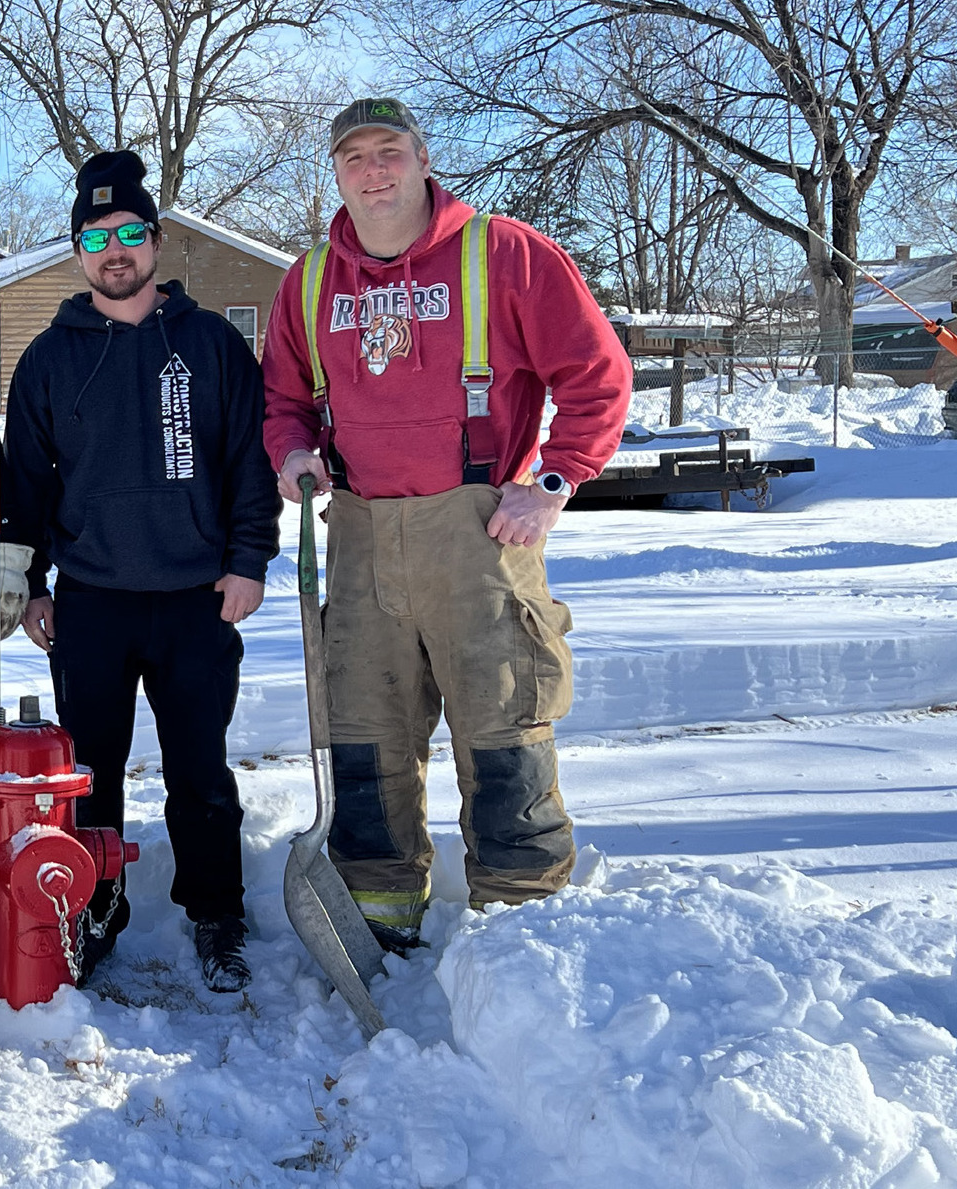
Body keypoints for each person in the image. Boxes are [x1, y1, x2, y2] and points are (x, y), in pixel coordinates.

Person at [262, 98, 631, 951]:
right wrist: (291, 451)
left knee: (502, 731)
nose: (373, 172)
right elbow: (281, 398)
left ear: (423, 160)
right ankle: (377, 925)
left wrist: (552, 481)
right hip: (357, 537)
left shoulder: (502, 253)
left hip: (478, 538)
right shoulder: (308, 281)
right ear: (336, 174)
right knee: (364, 737)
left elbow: (597, 375)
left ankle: (518, 931)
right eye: (354, 158)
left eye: (389, 151)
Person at [0, 151, 281, 993]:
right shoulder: (48, 359)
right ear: (77, 252)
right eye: (95, 237)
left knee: (201, 770)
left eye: (127, 233)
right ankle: (93, 908)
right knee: (88, 775)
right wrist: (31, 583)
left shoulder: (210, 343)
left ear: (155, 242)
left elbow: (249, 462)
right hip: (90, 602)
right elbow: (26, 484)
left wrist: (247, 561)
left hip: (197, 597)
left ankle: (216, 913)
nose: (112, 250)